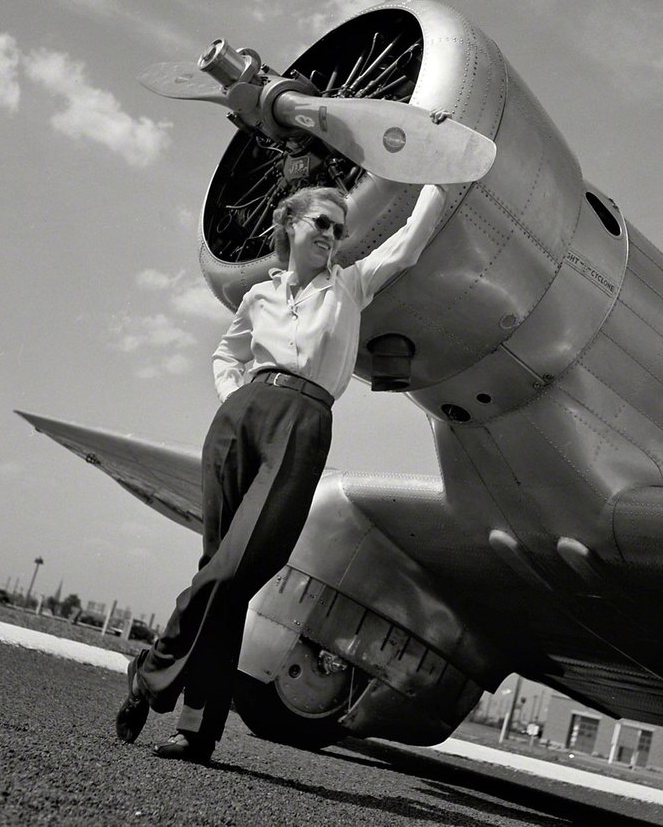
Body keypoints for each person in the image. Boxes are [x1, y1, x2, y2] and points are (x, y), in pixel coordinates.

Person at [116, 132, 450, 763]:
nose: (332, 234)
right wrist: (232, 399)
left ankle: (151, 670)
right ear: (290, 225)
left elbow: (407, 247)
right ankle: (196, 729)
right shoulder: (261, 295)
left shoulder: (349, 286)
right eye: (322, 222)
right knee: (222, 573)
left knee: (236, 568)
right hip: (243, 417)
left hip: (303, 422)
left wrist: (444, 175)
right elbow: (227, 351)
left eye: (339, 227)